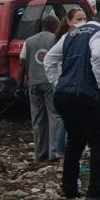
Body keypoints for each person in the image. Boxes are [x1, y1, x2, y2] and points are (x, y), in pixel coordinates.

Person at [45, 11, 100, 200]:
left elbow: (49, 59)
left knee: (75, 141)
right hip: (85, 94)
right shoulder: (99, 33)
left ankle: (68, 187)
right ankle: (95, 194)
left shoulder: (70, 34)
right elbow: (99, 56)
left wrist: (58, 83)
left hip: (63, 95)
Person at [22, 14, 63, 162]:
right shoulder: (56, 40)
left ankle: (39, 154)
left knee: (38, 119)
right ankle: (53, 153)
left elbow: (22, 60)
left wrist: (25, 78)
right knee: (54, 116)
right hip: (50, 82)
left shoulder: (29, 41)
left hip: (33, 82)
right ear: (54, 26)